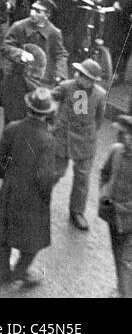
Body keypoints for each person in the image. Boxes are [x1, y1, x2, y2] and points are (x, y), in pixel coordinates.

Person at [0, 87, 61, 288]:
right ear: (47, 113)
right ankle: (21, 271)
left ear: (28, 108)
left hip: (10, 190)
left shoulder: (12, 127)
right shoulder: (47, 139)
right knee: (33, 238)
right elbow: (45, 177)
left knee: (4, 236)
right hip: (32, 197)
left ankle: (0, 272)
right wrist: (45, 193)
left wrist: (7, 176)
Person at [52, 58, 108, 230]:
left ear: (92, 80)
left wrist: (88, 132)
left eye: (85, 76)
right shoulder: (67, 86)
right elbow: (51, 97)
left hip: (85, 141)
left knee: (82, 178)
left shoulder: (99, 94)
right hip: (63, 136)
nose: (80, 78)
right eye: (80, 74)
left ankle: (77, 211)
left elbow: (99, 119)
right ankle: (37, 201)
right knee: (55, 172)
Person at [99, 114, 132, 297]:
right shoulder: (116, 151)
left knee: (125, 261)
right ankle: (122, 290)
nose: (128, 139)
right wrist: (103, 197)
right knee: (117, 255)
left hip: (130, 221)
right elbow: (104, 174)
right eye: (126, 134)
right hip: (113, 217)